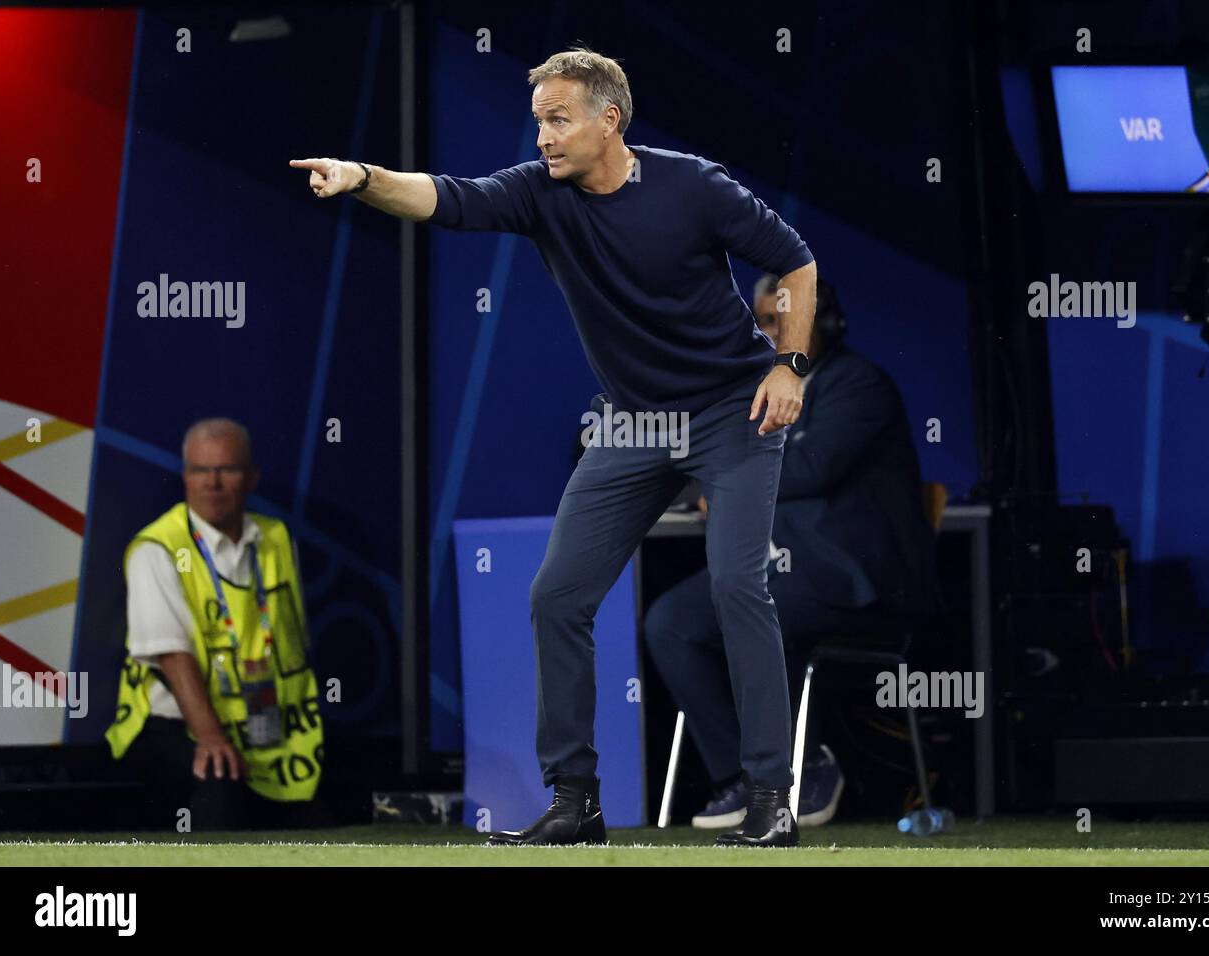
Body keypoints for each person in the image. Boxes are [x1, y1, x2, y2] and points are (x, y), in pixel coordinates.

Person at [292, 47, 817, 846]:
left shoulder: (693, 186)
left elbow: (795, 262)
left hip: (728, 413)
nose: (543, 136)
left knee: (738, 587)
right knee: (556, 597)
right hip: (632, 425)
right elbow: (446, 199)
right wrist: (363, 176)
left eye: (558, 118)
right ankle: (576, 801)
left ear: (609, 120)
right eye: (539, 120)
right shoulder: (538, 195)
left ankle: (772, 797)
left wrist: (790, 366)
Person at [645, 275, 944, 828]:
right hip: (785, 574)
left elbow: (811, 466)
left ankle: (800, 770)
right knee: (671, 622)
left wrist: (722, 481)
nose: (771, 333)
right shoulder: (751, 393)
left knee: (762, 611)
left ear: (820, 322)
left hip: (859, 579)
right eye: (763, 321)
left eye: (783, 319)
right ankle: (744, 780)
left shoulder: (858, 384)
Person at [106, 418, 329, 831]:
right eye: (199, 470)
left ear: (251, 478)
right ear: (185, 478)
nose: (212, 482)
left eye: (225, 470)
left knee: (314, 814)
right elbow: (174, 657)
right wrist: (210, 737)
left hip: (262, 721)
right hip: (175, 724)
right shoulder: (158, 548)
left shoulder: (276, 538)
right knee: (222, 793)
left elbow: (291, 640)